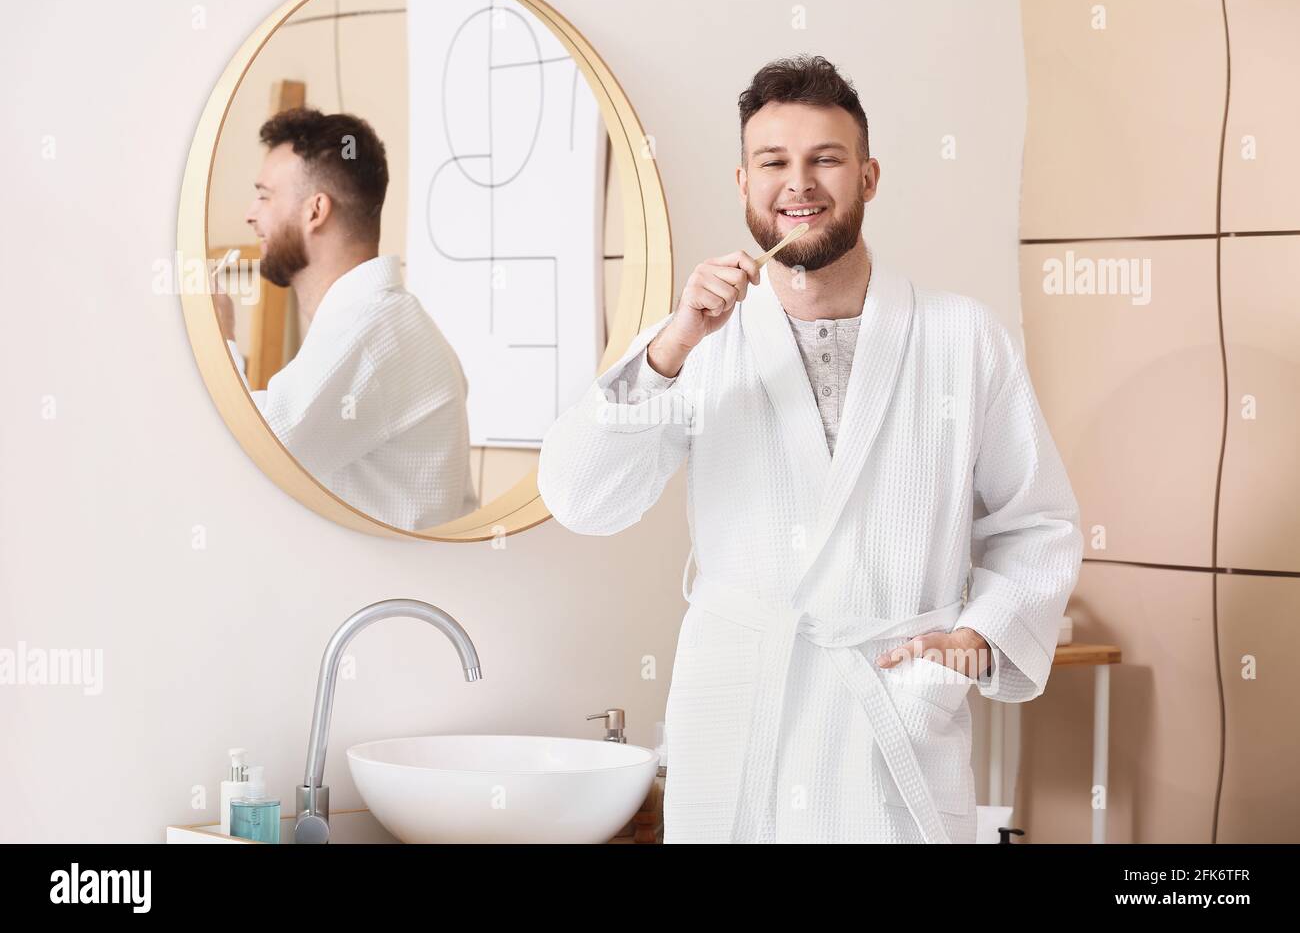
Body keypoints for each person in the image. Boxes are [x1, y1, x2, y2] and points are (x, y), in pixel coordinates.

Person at [537, 54, 1083, 843]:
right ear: (743, 184)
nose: (799, 183)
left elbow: (1039, 524)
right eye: (774, 162)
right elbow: (579, 498)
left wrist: (972, 641)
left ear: (868, 177)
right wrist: (672, 345)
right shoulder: (698, 345)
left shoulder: (962, 338)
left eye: (825, 158)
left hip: (891, 714)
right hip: (738, 715)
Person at [213, 107, 476, 530]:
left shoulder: (372, 331)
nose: (250, 214)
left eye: (264, 196)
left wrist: (218, 337)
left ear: (315, 211)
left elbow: (252, 455)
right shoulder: (384, 322)